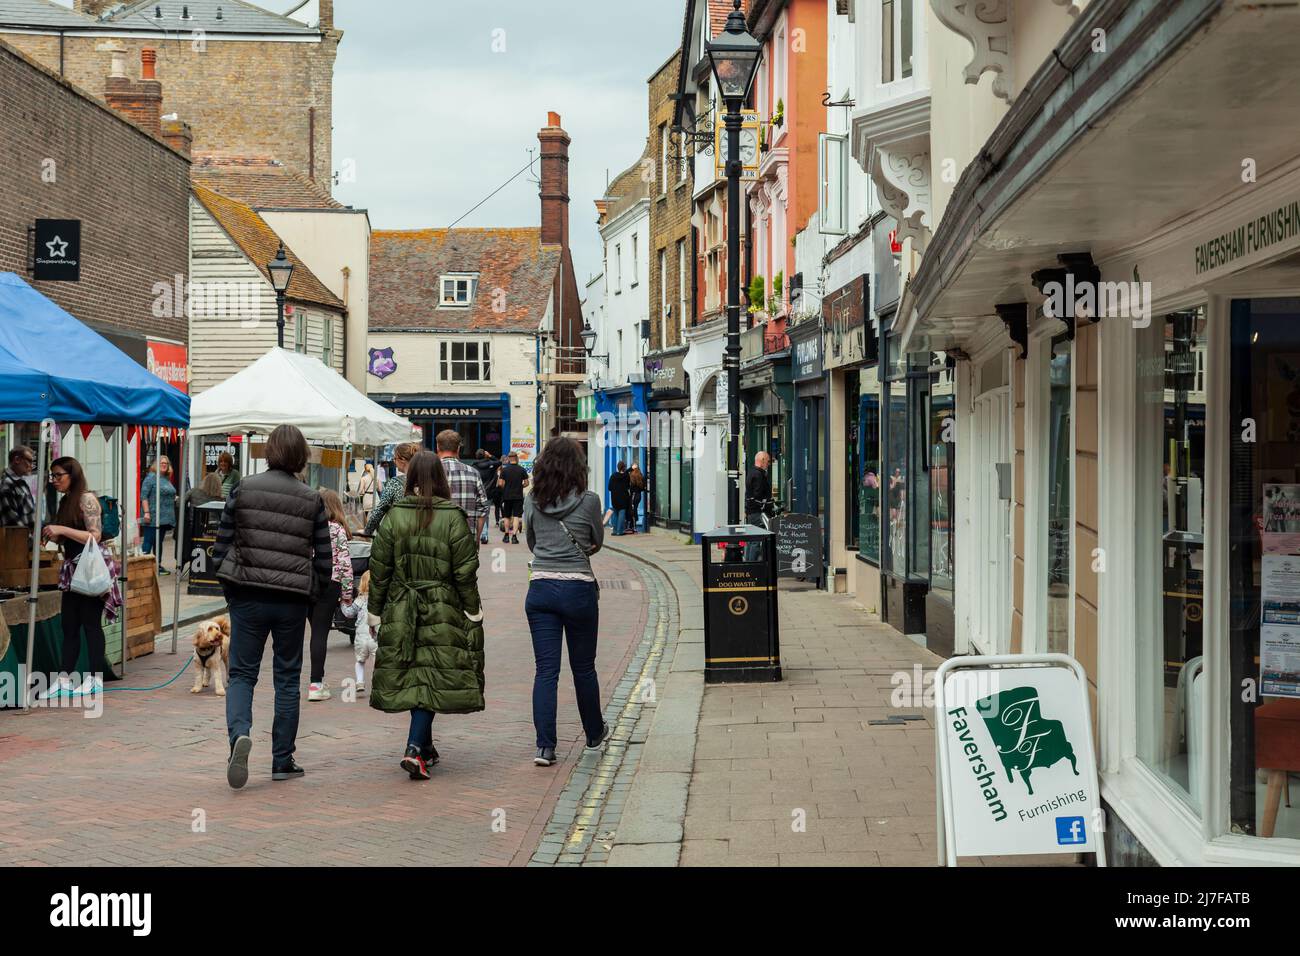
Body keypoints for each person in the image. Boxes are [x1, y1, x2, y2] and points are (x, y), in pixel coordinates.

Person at [213, 424, 333, 790]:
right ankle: (282, 759)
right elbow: (324, 558)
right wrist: (312, 591)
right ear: (301, 455)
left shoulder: (244, 487)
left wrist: (229, 587)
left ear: (269, 452)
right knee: (286, 678)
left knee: (242, 675)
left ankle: (240, 736)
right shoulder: (311, 497)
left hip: (247, 594)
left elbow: (222, 542)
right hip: (291, 600)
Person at [368, 451, 485, 781]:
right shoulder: (452, 517)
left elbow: (379, 570)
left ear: (410, 478)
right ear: (441, 478)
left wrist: (375, 611)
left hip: (401, 605)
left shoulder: (392, 517)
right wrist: (472, 609)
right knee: (430, 674)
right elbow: (465, 571)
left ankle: (425, 747)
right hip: (441, 605)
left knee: (417, 673)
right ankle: (415, 748)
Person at [524, 437, 609, 767]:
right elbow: (597, 541)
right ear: (578, 467)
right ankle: (593, 733)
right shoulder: (590, 500)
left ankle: (544, 746)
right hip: (578, 589)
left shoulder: (533, 499)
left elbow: (531, 542)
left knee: (546, 671)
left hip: (541, 588)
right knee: (583, 667)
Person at [37, 457, 122, 699]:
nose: (54, 480)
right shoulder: (66, 501)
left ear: (72, 475)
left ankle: (95, 678)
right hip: (73, 568)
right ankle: (64, 679)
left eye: (58, 475)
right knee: (69, 625)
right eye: (52, 476)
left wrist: (61, 530)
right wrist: (53, 535)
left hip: (90, 568)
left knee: (90, 623)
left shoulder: (87, 499)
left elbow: (94, 535)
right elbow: (72, 536)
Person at [307, 488, 355, 702]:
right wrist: (347, 595)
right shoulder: (337, 529)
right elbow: (344, 564)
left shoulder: (307, 527)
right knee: (320, 633)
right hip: (330, 584)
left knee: (307, 632)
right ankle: (316, 683)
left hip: (306, 583)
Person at [435, 430, 490, 542]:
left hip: (436, 540)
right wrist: (476, 538)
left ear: (437, 447)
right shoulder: (473, 473)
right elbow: (483, 508)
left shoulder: (429, 472)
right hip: (466, 541)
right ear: (458, 449)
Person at [363, 442, 419, 536]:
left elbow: (379, 511)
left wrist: (367, 531)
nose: (393, 461)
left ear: (403, 460)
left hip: (400, 535)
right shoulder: (425, 481)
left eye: (395, 458)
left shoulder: (395, 483)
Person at [339, 570, 377, 693]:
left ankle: (360, 682)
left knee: (360, 661)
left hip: (361, 637)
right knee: (378, 663)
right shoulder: (380, 600)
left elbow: (349, 613)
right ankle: (376, 684)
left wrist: (343, 603)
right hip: (375, 636)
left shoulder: (360, 600)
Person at [140, 456, 177, 575]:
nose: (164, 465)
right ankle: (142, 566)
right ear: (156, 464)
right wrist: (146, 513)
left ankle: (157, 565)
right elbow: (144, 496)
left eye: (166, 463)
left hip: (164, 518)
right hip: (152, 517)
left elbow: (166, 494)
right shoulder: (151, 477)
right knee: (148, 541)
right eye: (161, 463)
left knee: (158, 542)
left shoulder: (165, 478)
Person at [0, 445, 36, 528]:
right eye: (29, 461)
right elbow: (11, 521)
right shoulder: (7, 484)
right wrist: (30, 537)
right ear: (17, 460)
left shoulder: (19, 481)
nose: (31, 466)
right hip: (18, 538)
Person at [497, 451, 530, 543]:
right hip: (518, 496)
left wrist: (506, 487)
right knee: (516, 516)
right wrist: (520, 486)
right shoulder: (522, 469)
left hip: (507, 496)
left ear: (508, 458)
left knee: (506, 516)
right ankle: (514, 537)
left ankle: (506, 535)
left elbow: (500, 483)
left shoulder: (504, 470)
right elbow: (527, 483)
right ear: (516, 458)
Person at [471, 449, 501, 544]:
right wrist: (490, 455)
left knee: (475, 514)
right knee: (485, 514)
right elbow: (500, 462)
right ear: (485, 456)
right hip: (488, 492)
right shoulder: (491, 465)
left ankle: (476, 534)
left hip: (476, 492)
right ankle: (484, 535)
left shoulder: (473, 466)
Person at [607, 461, 631, 536]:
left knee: (615, 513)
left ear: (618, 467)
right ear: (624, 467)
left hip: (614, 497)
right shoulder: (626, 476)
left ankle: (614, 531)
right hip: (623, 497)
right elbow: (628, 486)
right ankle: (620, 531)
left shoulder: (613, 476)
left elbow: (609, 487)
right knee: (622, 513)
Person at [626, 462, 645, 534]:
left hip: (633, 495)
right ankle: (633, 526)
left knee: (632, 511)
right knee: (635, 510)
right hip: (638, 495)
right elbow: (643, 488)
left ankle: (632, 527)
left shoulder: (631, 476)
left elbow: (629, 486)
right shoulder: (641, 475)